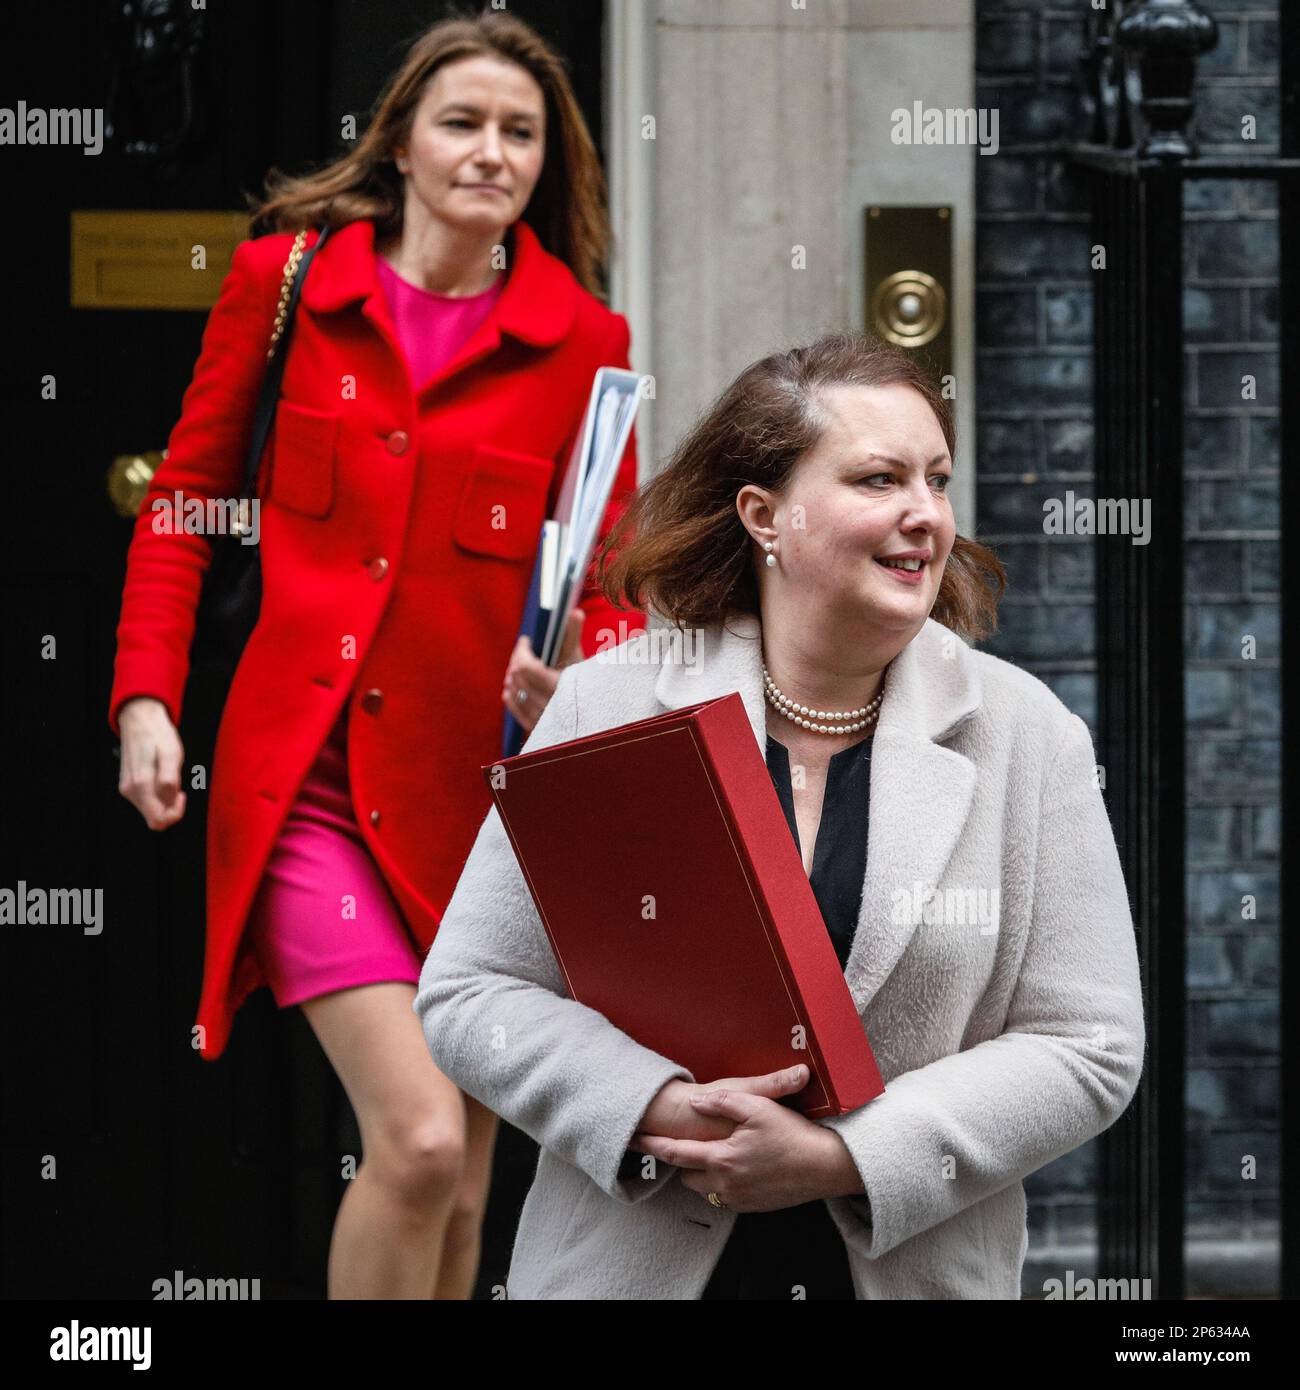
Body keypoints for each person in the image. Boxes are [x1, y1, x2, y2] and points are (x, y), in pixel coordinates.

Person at [412, 331, 1148, 1299]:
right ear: (763, 514)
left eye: (936, 477)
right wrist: (655, 1106)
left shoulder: (1027, 736)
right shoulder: (608, 705)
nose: (923, 514)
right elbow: (469, 991)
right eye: (878, 479)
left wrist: (845, 1157)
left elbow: (1090, 1043)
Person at [109, 10, 645, 1299]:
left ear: (544, 164)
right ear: (400, 140)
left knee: (462, 1177)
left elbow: (615, 573)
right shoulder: (289, 285)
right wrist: (144, 695)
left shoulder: (585, 345)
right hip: (309, 786)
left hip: (481, 812)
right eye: (461, 122)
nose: (489, 151)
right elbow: (185, 498)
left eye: (519, 133)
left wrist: (587, 673)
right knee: (411, 1138)